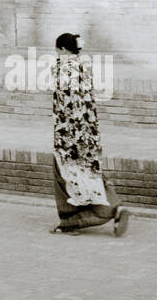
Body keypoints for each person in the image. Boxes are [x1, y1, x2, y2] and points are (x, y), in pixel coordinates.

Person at [50, 32, 129, 237]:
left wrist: (68, 134)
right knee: (90, 169)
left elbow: (66, 104)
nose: (56, 54)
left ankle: (71, 220)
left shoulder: (61, 68)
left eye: (58, 50)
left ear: (64, 50)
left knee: (63, 173)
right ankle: (115, 204)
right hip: (89, 130)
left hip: (69, 132)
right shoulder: (86, 65)